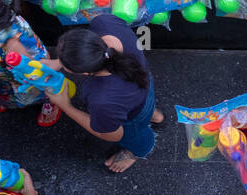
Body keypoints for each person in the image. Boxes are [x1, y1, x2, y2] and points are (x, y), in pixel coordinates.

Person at [43, 16, 163, 174]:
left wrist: (66, 106)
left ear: (85, 72)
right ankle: (154, 115)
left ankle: (135, 152)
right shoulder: (104, 23)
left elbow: (112, 135)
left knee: (136, 135)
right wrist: (61, 61)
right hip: (143, 82)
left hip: (132, 118)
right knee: (144, 104)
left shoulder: (103, 101)